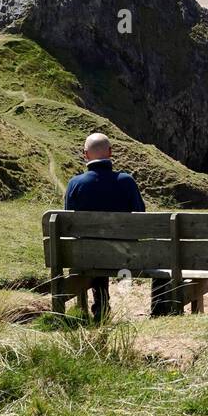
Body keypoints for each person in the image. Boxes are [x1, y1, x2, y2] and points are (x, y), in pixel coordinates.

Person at [63, 132, 145, 322]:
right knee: (106, 250)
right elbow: (141, 215)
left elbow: (69, 222)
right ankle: (161, 310)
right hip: (124, 255)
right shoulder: (127, 181)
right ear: (110, 152)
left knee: (95, 251)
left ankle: (97, 307)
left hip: (87, 255)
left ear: (85, 155)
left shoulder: (75, 184)